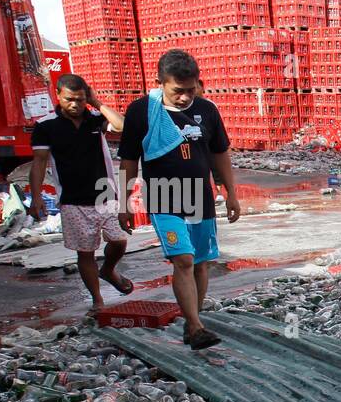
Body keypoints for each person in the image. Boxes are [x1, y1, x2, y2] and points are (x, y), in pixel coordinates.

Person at [117, 49, 241, 350]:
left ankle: (191, 322)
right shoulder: (142, 112)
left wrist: (231, 191)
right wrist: (123, 204)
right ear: (160, 82)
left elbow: (219, 154)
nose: (185, 97)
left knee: (200, 263)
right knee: (183, 259)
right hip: (164, 199)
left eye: (190, 90)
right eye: (177, 91)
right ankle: (197, 327)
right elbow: (129, 161)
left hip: (201, 198)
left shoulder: (207, 111)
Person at [29, 75, 131, 313]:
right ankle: (97, 300)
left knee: (119, 240)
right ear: (58, 95)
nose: (75, 105)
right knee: (85, 252)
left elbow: (122, 126)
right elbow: (39, 162)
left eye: (80, 99)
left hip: (105, 194)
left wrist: (97, 104)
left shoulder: (95, 119)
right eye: (69, 99)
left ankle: (108, 270)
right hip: (73, 200)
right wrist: (36, 197)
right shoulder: (46, 126)